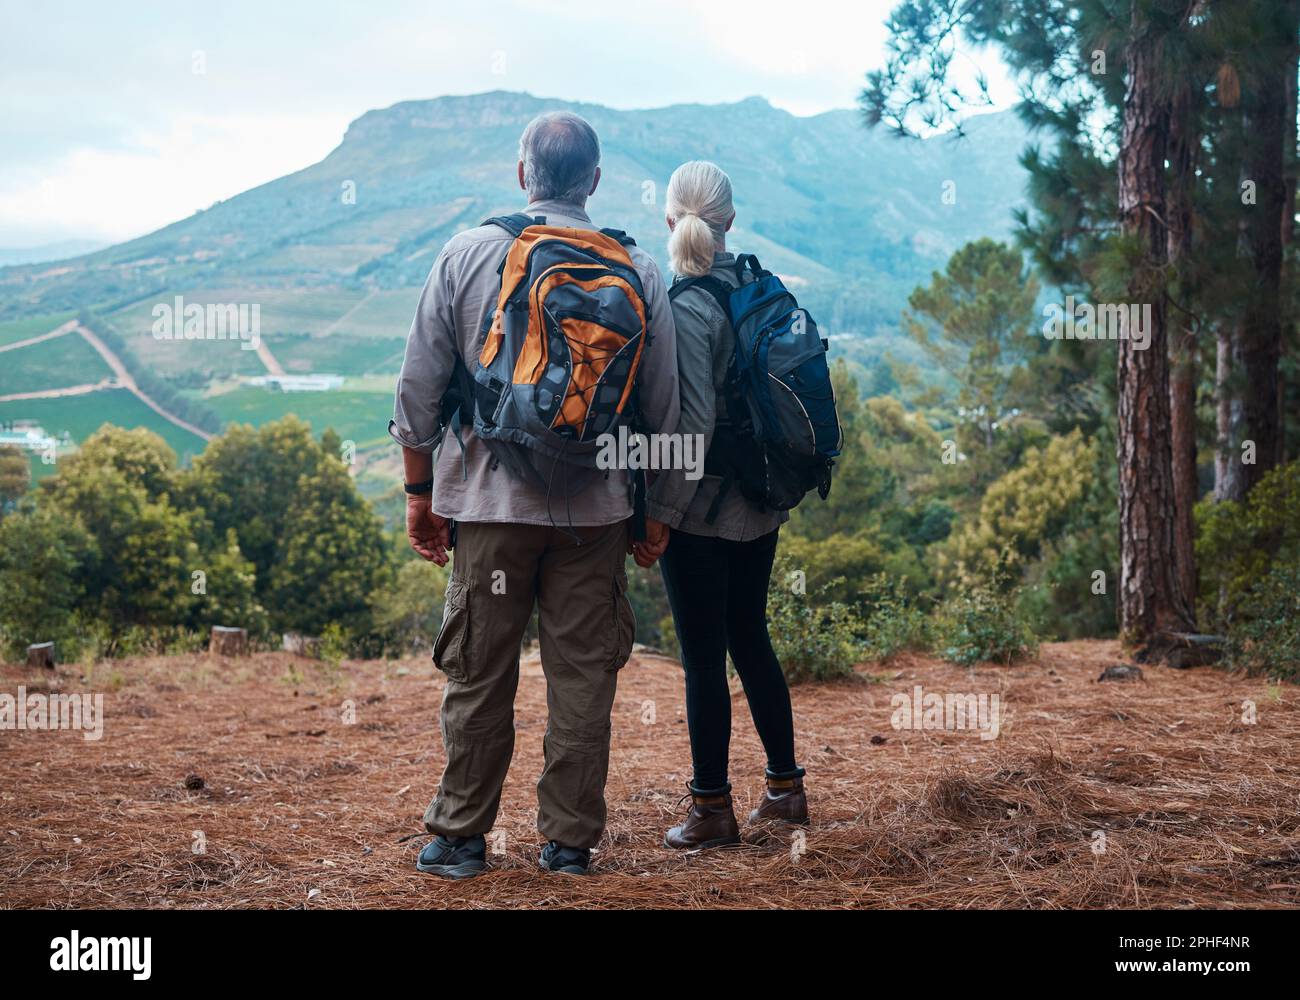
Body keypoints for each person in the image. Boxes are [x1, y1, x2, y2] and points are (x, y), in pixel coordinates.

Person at [390, 111, 678, 878]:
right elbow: (664, 409)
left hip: (486, 507)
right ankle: (569, 843)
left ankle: (458, 837)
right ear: (594, 180)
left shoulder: (468, 252)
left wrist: (420, 493)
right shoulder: (641, 271)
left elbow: (418, 387)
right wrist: (658, 515)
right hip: (595, 514)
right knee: (583, 675)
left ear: (524, 175)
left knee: (480, 670)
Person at [639, 160, 807, 851]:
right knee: (750, 637)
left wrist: (661, 515)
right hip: (761, 503)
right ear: (730, 220)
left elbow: (693, 429)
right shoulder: (759, 286)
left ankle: (711, 810)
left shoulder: (686, 301)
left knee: (704, 657)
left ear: (669, 219)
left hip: (703, 512)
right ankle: (785, 789)